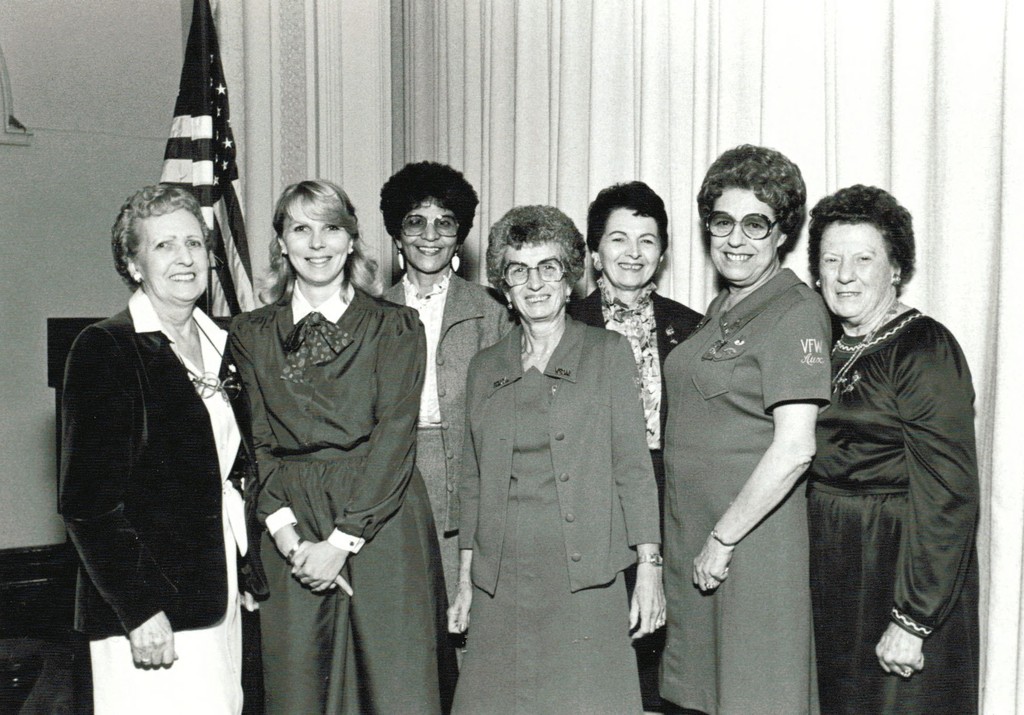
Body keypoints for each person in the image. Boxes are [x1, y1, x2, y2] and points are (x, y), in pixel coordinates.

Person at [229, 180, 455, 714]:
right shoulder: (250, 332)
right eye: (300, 228)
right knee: (297, 691)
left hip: (382, 517)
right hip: (289, 520)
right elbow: (257, 443)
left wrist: (341, 541)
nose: (317, 243)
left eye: (331, 228)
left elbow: (394, 438)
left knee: (396, 689)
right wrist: (289, 540)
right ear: (281, 243)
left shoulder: (395, 325)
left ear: (351, 240)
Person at [448, 205, 664, 714]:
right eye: (518, 270)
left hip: (584, 578)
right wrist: (465, 582)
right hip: (500, 580)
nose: (535, 283)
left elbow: (634, 470)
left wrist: (649, 571)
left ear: (569, 279)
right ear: (504, 286)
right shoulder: (484, 367)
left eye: (548, 268)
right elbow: (472, 482)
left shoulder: (607, 353)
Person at [60, 184, 266, 714]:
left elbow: (232, 470)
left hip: (216, 595)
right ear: (133, 264)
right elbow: (87, 504)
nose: (185, 258)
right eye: (164, 245)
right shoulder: (106, 348)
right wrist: (139, 609)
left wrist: (245, 567)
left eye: (194, 243)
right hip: (150, 614)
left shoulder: (223, 346)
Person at [660, 145, 831, 714]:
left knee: (757, 694)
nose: (736, 239)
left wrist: (724, 538)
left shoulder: (795, 311)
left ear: (782, 234)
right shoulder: (722, 309)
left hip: (750, 544)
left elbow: (796, 448)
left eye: (755, 224)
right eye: (722, 222)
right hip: (702, 540)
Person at [806, 185, 979, 714]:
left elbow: (949, 493)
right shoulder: (823, 345)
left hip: (897, 562)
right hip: (836, 562)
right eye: (831, 260)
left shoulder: (923, 347)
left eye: (864, 259)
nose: (844, 275)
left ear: (896, 268)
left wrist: (913, 618)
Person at [568, 180, 701, 713]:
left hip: (669, 495)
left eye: (647, 241)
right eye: (618, 239)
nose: (633, 253)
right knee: (598, 633)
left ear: (662, 253)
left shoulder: (691, 328)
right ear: (594, 251)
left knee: (661, 634)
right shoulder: (565, 325)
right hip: (589, 495)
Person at [381, 161, 512, 606]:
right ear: (397, 234)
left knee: (466, 608)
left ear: (459, 235)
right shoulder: (372, 314)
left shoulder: (493, 311)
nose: (430, 236)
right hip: (396, 480)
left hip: (468, 477)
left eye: (445, 223)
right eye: (415, 222)